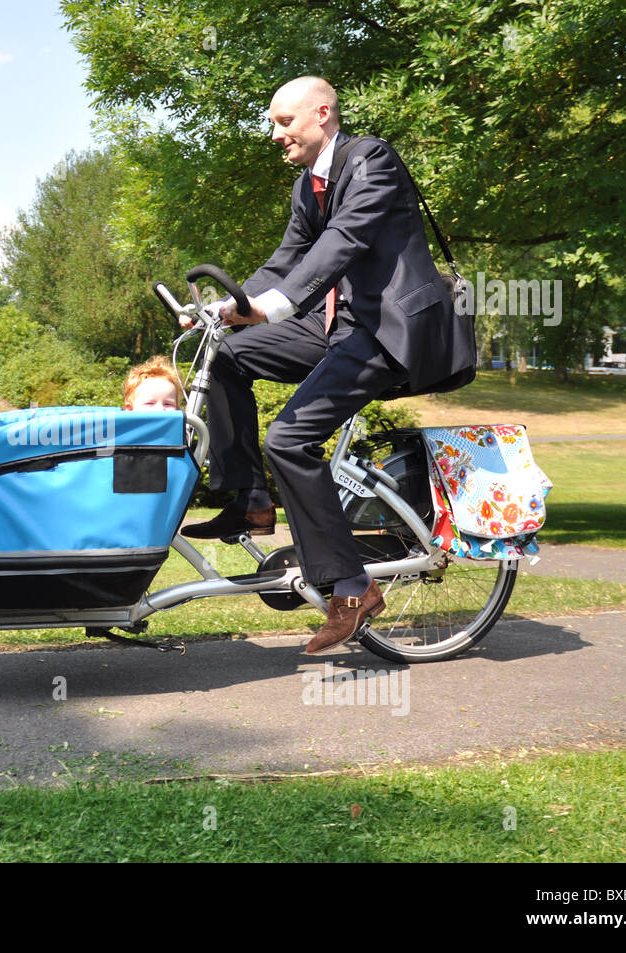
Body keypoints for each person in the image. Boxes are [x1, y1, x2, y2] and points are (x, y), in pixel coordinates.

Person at [181, 76, 475, 655]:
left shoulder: (372, 161)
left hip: (387, 334)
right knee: (225, 358)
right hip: (335, 331)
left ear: (322, 115)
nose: (275, 134)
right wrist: (228, 308)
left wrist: (273, 307)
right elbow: (285, 260)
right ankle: (250, 501)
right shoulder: (306, 187)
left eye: (284, 122)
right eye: (272, 123)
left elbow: (342, 241)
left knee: (289, 440)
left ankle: (351, 587)